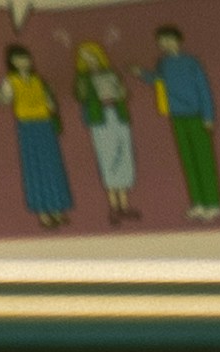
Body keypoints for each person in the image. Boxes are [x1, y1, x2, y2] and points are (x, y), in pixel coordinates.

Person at [0, 37, 75, 224]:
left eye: (25, 58)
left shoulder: (38, 79)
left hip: (45, 124)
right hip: (28, 126)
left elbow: (49, 103)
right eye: (19, 59)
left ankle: (57, 210)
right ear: (13, 62)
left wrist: (51, 103)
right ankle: (43, 214)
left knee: (52, 167)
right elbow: (4, 100)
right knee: (35, 169)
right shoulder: (11, 81)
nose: (24, 62)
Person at [152, 22, 220, 214]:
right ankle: (198, 203)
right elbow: (157, 80)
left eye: (168, 39)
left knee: (204, 160)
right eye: (161, 41)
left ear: (177, 40)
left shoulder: (191, 62)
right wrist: (140, 73)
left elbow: (204, 90)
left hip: (196, 116)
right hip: (176, 117)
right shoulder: (163, 63)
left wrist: (208, 116)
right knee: (188, 161)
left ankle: (213, 204)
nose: (164, 43)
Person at [75, 31, 137, 215]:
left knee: (124, 154)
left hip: (117, 115)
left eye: (92, 57)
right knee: (107, 157)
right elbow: (80, 96)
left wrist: (122, 92)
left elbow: (123, 94)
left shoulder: (111, 73)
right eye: (85, 59)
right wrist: (84, 86)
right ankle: (113, 207)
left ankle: (125, 206)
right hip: (99, 119)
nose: (90, 61)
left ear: (99, 57)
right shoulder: (83, 78)